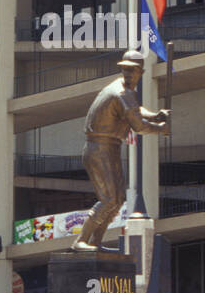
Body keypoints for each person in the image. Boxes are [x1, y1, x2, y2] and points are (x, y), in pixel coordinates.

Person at [71, 50, 170, 251]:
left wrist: (155, 115)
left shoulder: (126, 92)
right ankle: (79, 241)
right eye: (125, 69)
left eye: (132, 70)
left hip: (109, 146)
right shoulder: (121, 92)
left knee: (117, 201)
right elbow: (138, 126)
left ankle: (95, 242)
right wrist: (161, 129)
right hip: (99, 147)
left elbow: (135, 110)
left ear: (140, 73)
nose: (127, 73)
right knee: (109, 200)